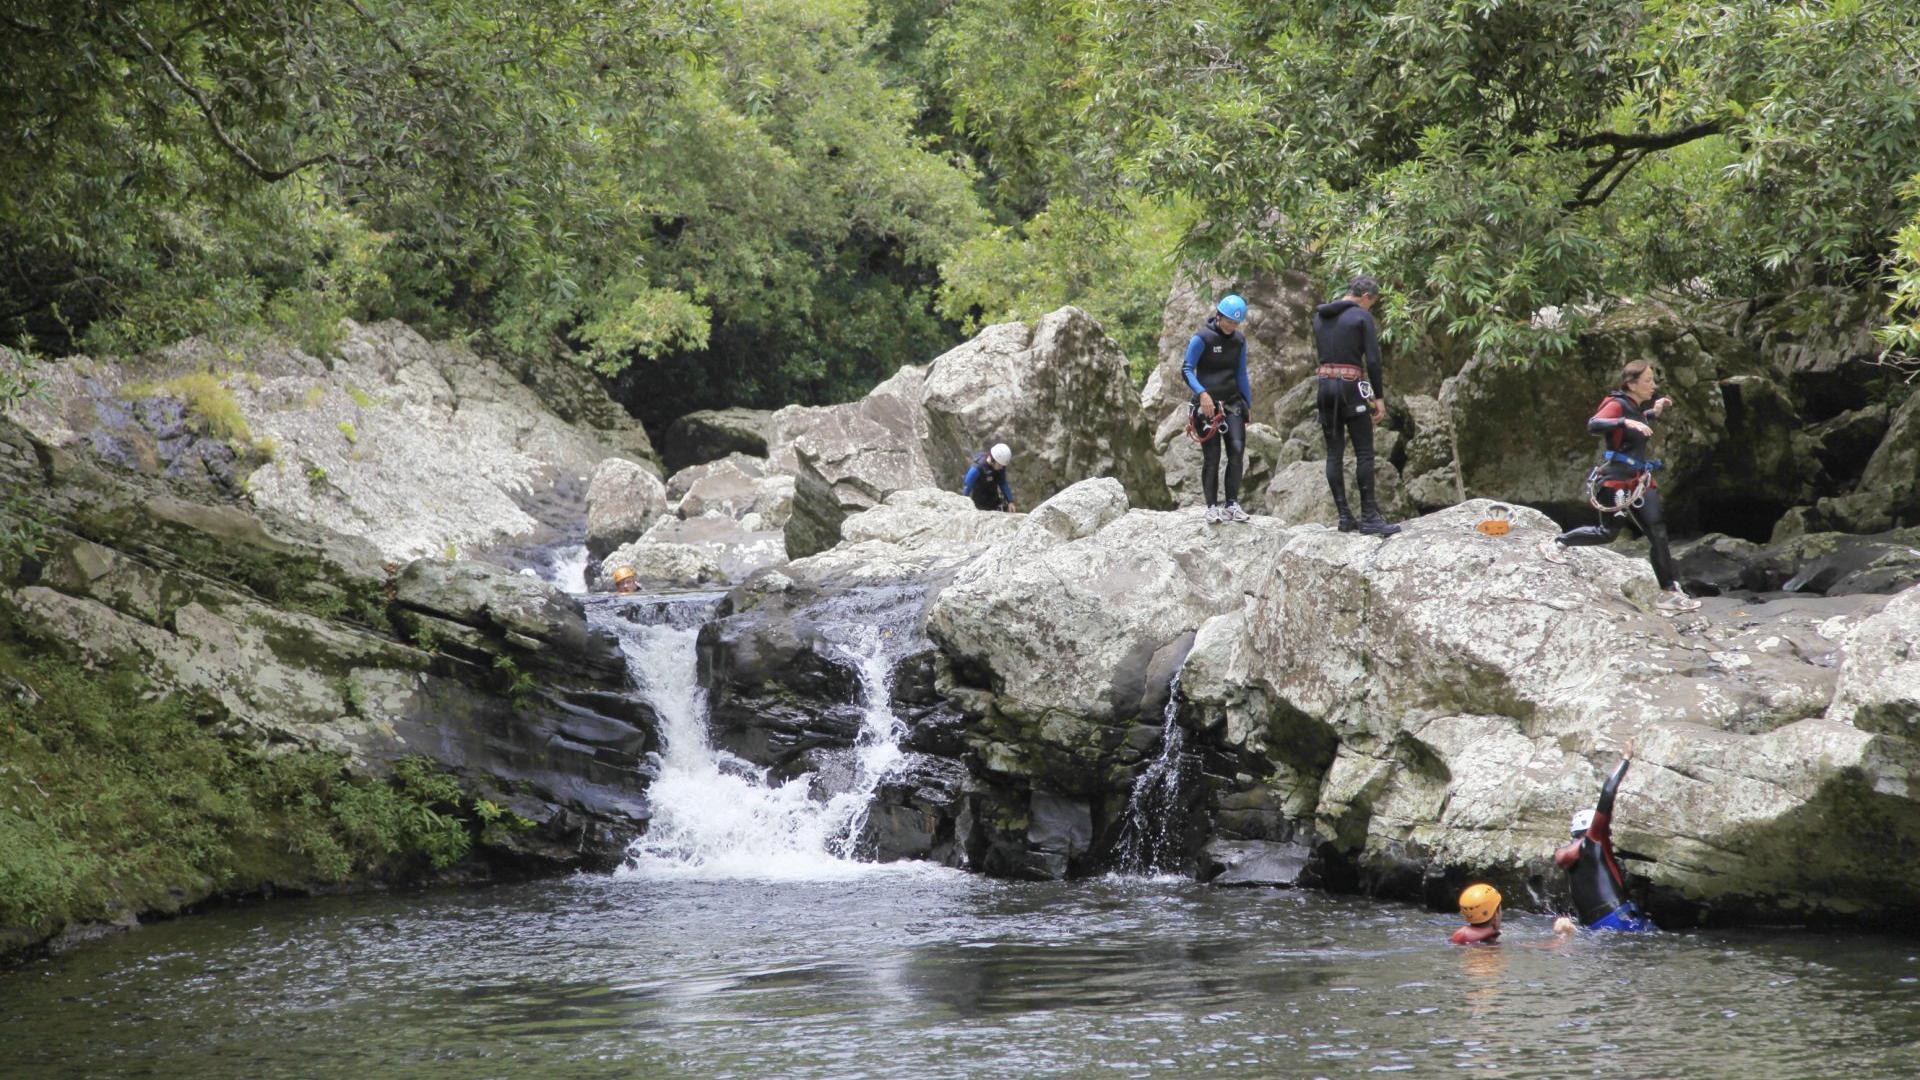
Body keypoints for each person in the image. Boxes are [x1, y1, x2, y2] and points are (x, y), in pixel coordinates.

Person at [1540, 360, 1700, 614]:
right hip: (1615, 479)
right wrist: (1624, 423)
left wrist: (1652, 413)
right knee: (1607, 533)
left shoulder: (1635, 407)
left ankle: (1669, 592)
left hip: (1639, 479)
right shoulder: (1616, 403)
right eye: (1648, 381)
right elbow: (1594, 424)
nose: (1653, 386)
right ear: (1631, 384)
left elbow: (1636, 423)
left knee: (1657, 532)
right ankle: (1559, 543)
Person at [1311, 276, 1399, 536]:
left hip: (1325, 386)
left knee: (1334, 453)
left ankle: (1344, 517)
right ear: (1366, 297)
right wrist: (1378, 398)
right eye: (1372, 302)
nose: (1370, 307)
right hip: (1350, 386)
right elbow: (1372, 360)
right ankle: (1370, 517)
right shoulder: (1362, 318)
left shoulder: (1319, 317)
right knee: (1364, 452)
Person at [1553, 743, 1657, 932]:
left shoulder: (1571, 860)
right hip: (1620, 919)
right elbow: (1607, 793)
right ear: (1592, 828)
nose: (1609, 834)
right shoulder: (1595, 839)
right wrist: (1625, 759)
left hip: (1592, 927)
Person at [1183, 293, 1254, 524]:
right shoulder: (1202, 338)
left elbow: (1241, 373)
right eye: (1229, 321)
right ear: (1219, 316)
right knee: (1212, 457)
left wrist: (1247, 403)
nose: (1232, 326)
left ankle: (1232, 503)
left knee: (1236, 452)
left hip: (1232, 403)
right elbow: (1186, 369)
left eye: (1236, 323)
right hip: (1207, 407)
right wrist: (1202, 394)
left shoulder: (1239, 341)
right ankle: (1212, 506)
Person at [962, 442, 1016, 512]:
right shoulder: (977, 469)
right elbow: (967, 487)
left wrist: (1010, 501)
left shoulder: (1000, 466)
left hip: (994, 502)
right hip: (979, 506)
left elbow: (1002, 482)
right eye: (1000, 465)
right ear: (993, 460)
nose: (1001, 468)